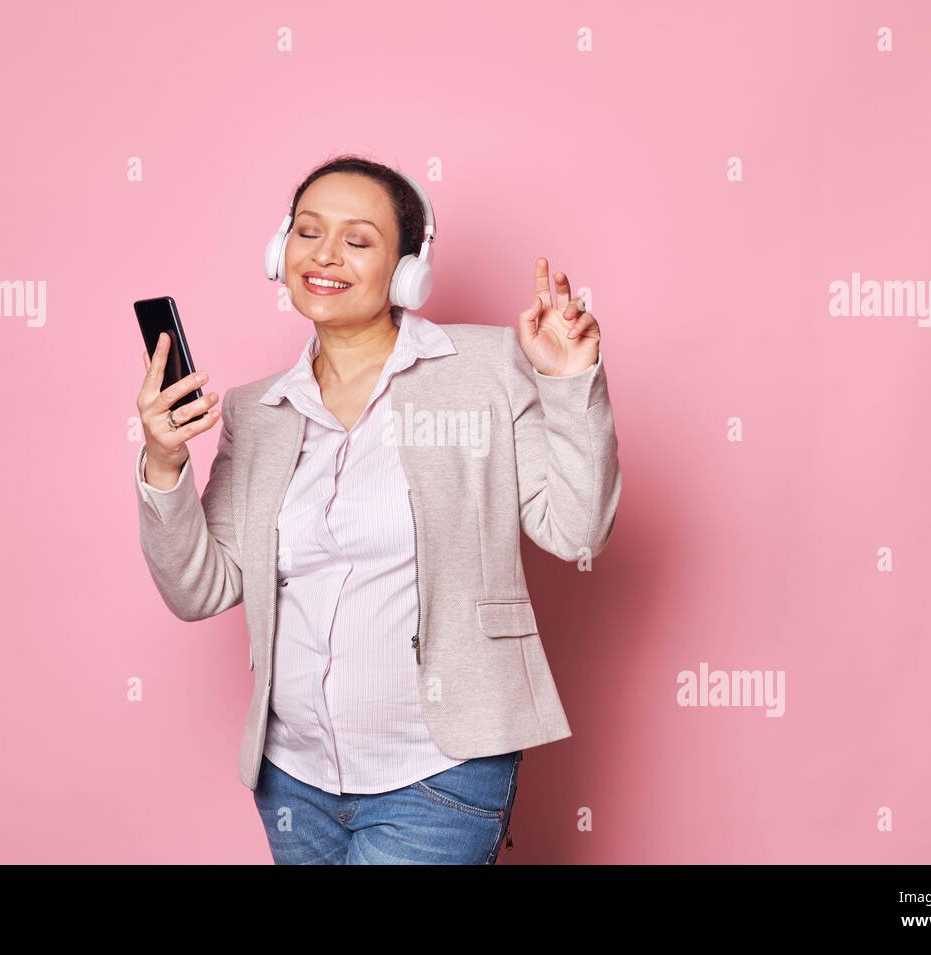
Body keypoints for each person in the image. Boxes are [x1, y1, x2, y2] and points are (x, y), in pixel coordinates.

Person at [133, 154, 621, 863]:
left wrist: (568, 381)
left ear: (406, 271)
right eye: (307, 232)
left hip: (436, 770)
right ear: (280, 249)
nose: (324, 255)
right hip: (292, 778)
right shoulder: (256, 410)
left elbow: (579, 531)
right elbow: (198, 588)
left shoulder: (485, 367)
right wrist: (164, 463)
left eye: (357, 240)